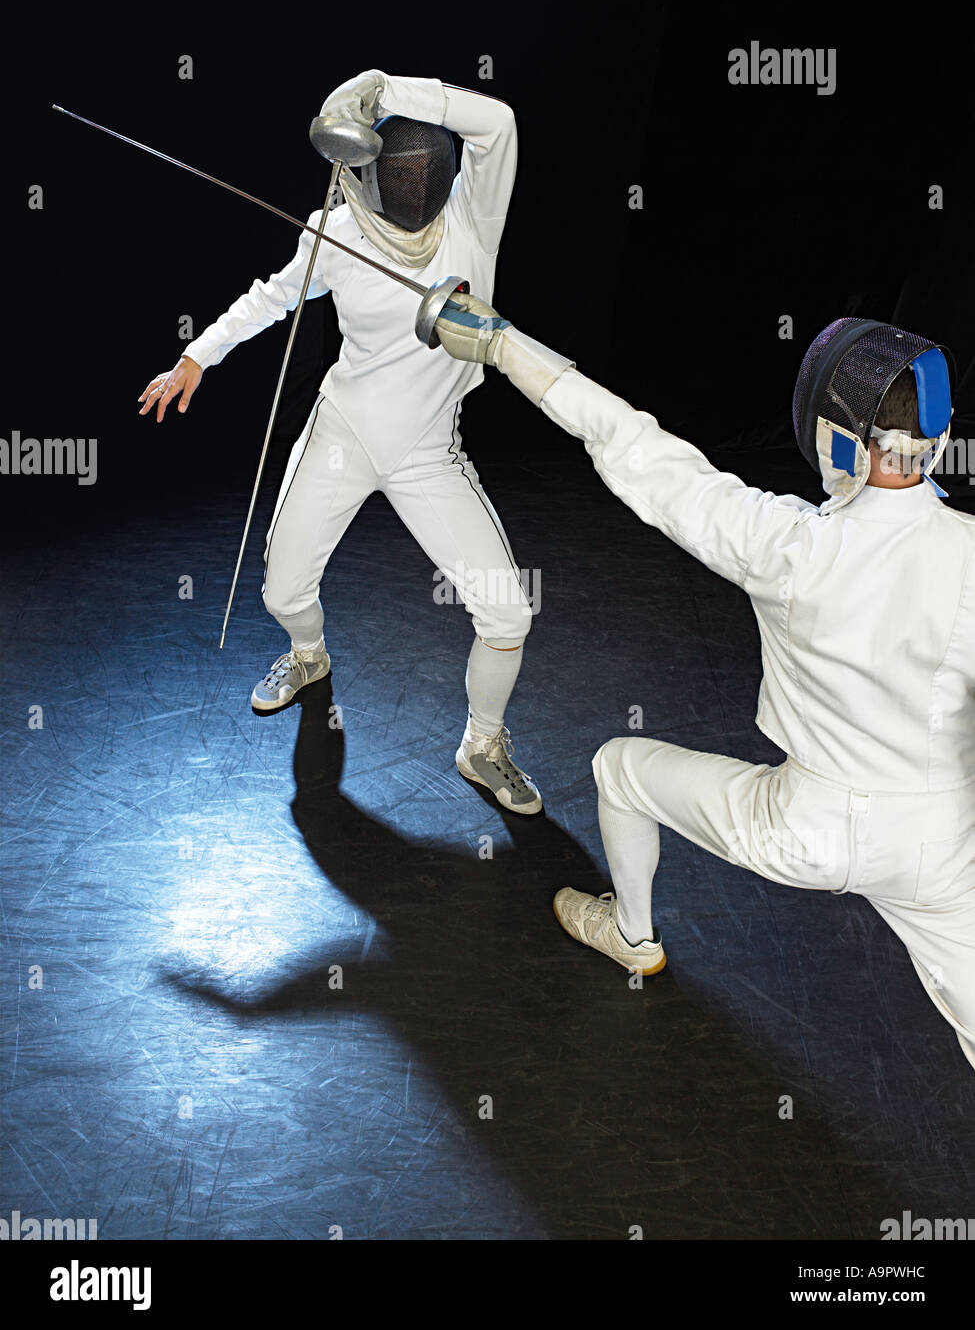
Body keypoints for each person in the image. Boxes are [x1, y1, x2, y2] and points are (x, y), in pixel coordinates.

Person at [431, 293, 975, 1069]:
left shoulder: (783, 545)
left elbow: (629, 443)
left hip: (807, 832)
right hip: (943, 849)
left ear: (836, 442)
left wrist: (502, 346)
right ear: (940, 435)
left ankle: (632, 937)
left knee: (619, 769)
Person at [137, 70, 541, 814]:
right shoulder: (339, 229)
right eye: (402, 184)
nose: (416, 200)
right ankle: (308, 654)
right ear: (371, 179)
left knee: (508, 612)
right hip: (343, 435)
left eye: (428, 183)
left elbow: (498, 121)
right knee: (281, 591)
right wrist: (199, 354)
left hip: (427, 451)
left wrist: (385, 89)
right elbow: (273, 295)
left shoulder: (472, 218)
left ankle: (483, 743)